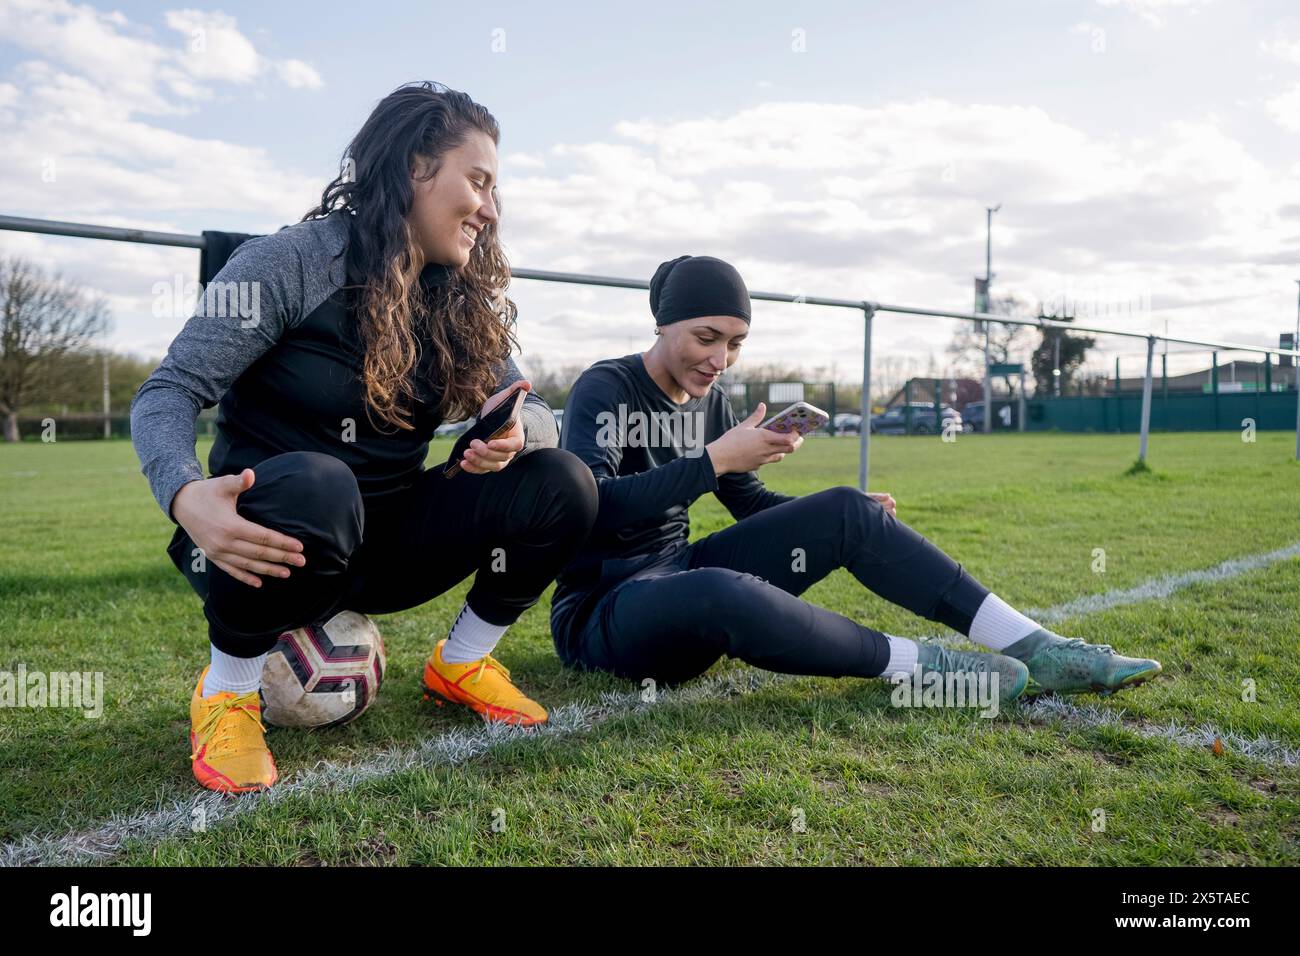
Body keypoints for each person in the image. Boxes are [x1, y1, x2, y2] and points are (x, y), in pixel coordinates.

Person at [130, 82, 598, 794]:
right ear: (415, 167)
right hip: (267, 537)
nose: (491, 209)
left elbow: (533, 410)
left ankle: (462, 663)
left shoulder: (461, 299)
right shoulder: (286, 262)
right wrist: (186, 497)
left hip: (387, 548)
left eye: (495, 189)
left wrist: (513, 432)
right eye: (478, 181)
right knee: (321, 483)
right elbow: (168, 393)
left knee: (565, 480)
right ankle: (226, 692)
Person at [550, 254, 1162, 702]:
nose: (720, 360)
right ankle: (928, 669)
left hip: (675, 573)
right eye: (705, 338)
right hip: (605, 612)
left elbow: (748, 503)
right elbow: (593, 508)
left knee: (846, 506)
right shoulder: (606, 387)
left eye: (735, 343)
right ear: (662, 324)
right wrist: (713, 462)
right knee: (721, 587)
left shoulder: (712, 401)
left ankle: (1039, 648)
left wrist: (836, 516)